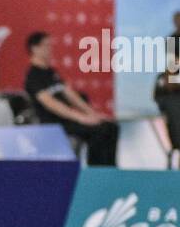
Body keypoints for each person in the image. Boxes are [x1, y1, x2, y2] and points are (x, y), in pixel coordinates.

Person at [23, 31, 118, 166]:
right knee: (99, 131)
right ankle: (96, 173)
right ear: (34, 48)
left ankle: (110, 171)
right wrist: (81, 118)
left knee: (110, 127)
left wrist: (93, 114)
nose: (50, 50)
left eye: (50, 46)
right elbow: (52, 104)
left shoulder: (51, 72)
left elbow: (71, 95)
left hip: (68, 120)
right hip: (53, 123)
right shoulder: (33, 76)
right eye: (46, 46)